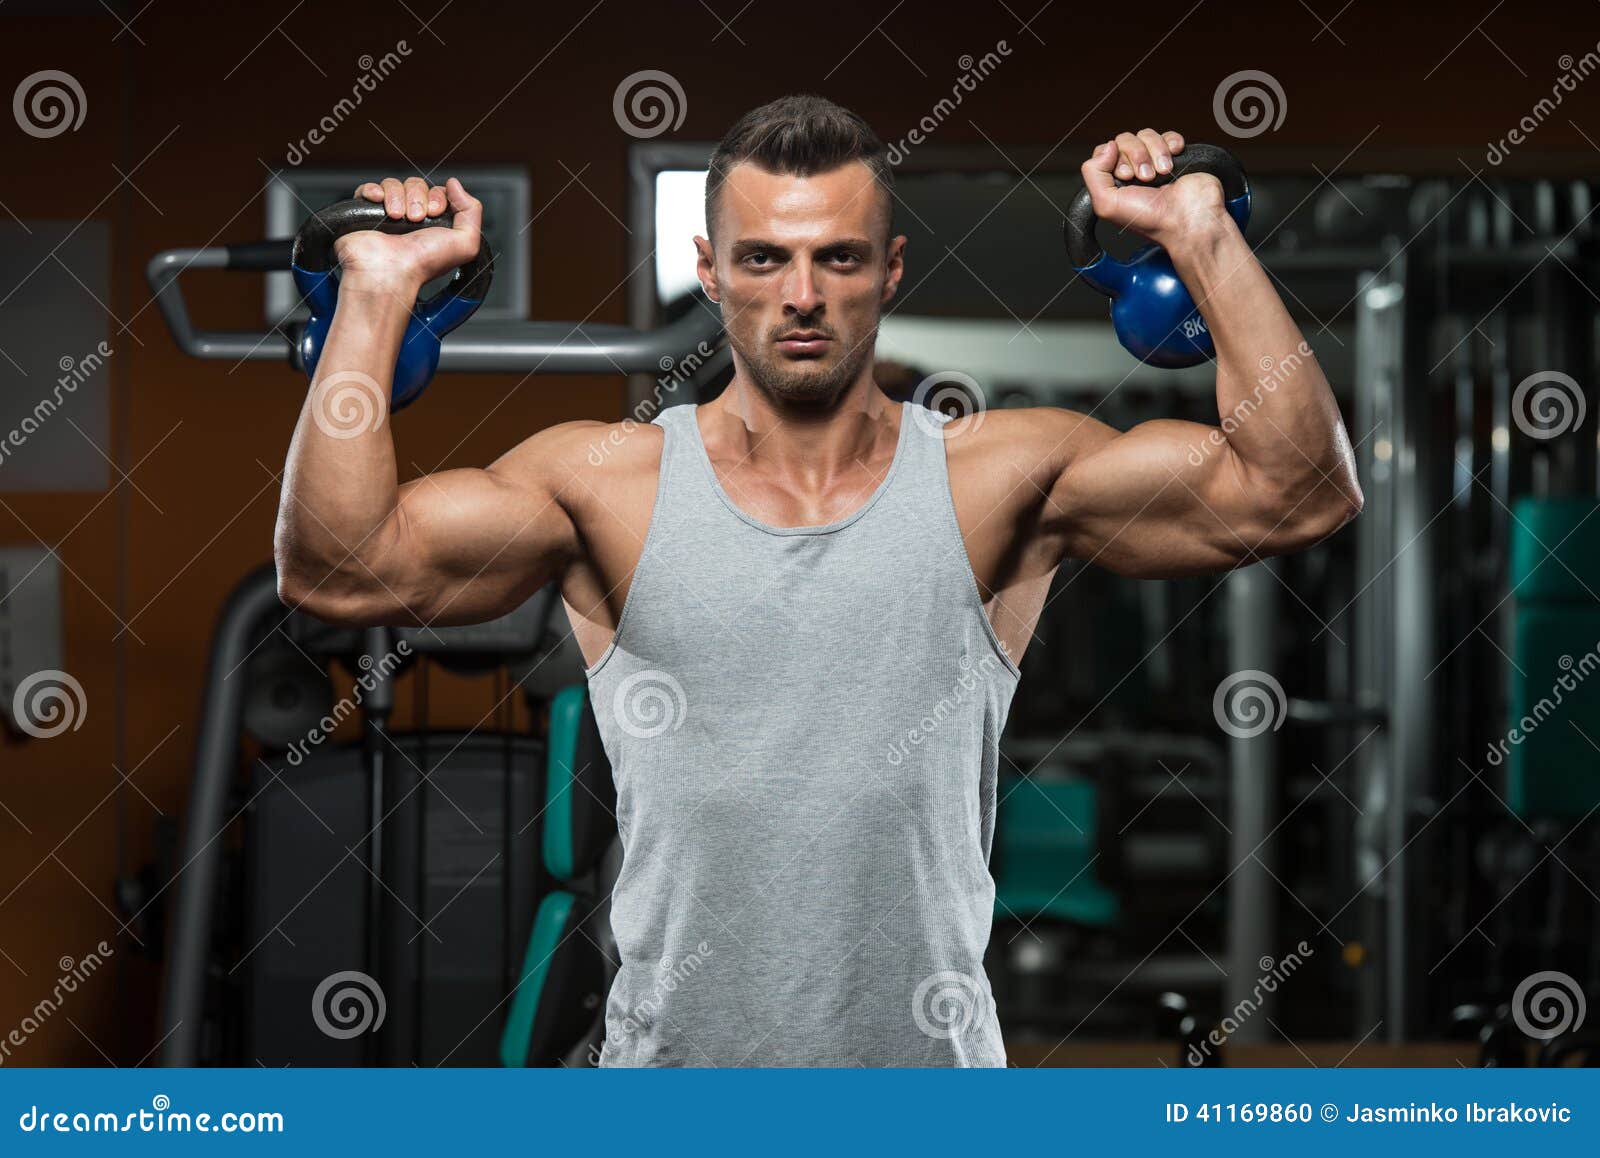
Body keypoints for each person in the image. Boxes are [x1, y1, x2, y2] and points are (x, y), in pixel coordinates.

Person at [273, 94, 1361, 1067]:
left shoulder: (1002, 474)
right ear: (710, 270)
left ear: (888, 270)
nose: (801, 295)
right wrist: (373, 296)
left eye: (838, 259)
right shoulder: (605, 483)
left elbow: (1296, 494)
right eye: (762, 260)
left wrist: (1200, 235)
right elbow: (338, 567)